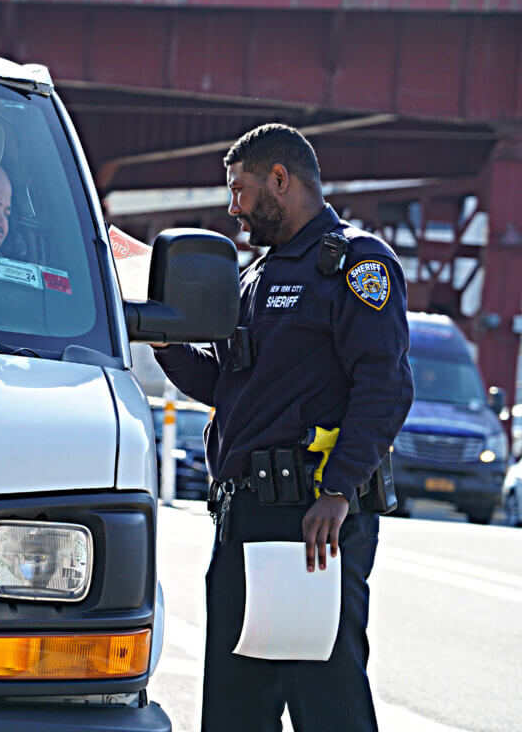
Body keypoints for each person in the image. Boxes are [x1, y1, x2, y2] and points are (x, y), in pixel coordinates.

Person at [151, 124, 413, 732]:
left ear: (279, 179)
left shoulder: (354, 264)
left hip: (310, 521)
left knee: (328, 705)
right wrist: (161, 336)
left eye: (240, 190)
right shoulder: (255, 277)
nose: (232, 207)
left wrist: (340, 490)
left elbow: (385, 386)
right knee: (235, 709)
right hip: (243, 517)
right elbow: (227, 386)